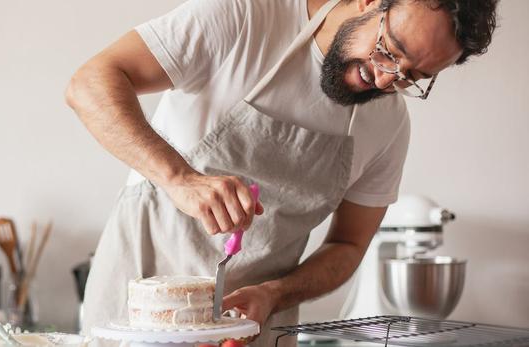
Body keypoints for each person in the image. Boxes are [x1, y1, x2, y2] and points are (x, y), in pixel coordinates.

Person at [66, 0, 498, 345]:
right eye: (391, 50)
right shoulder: (245, 17)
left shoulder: (388, 126)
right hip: (134, 313)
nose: (386, 79)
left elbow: (347, 245)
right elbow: (91, 82)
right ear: (370, 2)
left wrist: (273, 295)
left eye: (412, 76)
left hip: (254, 330)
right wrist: (180, 178)